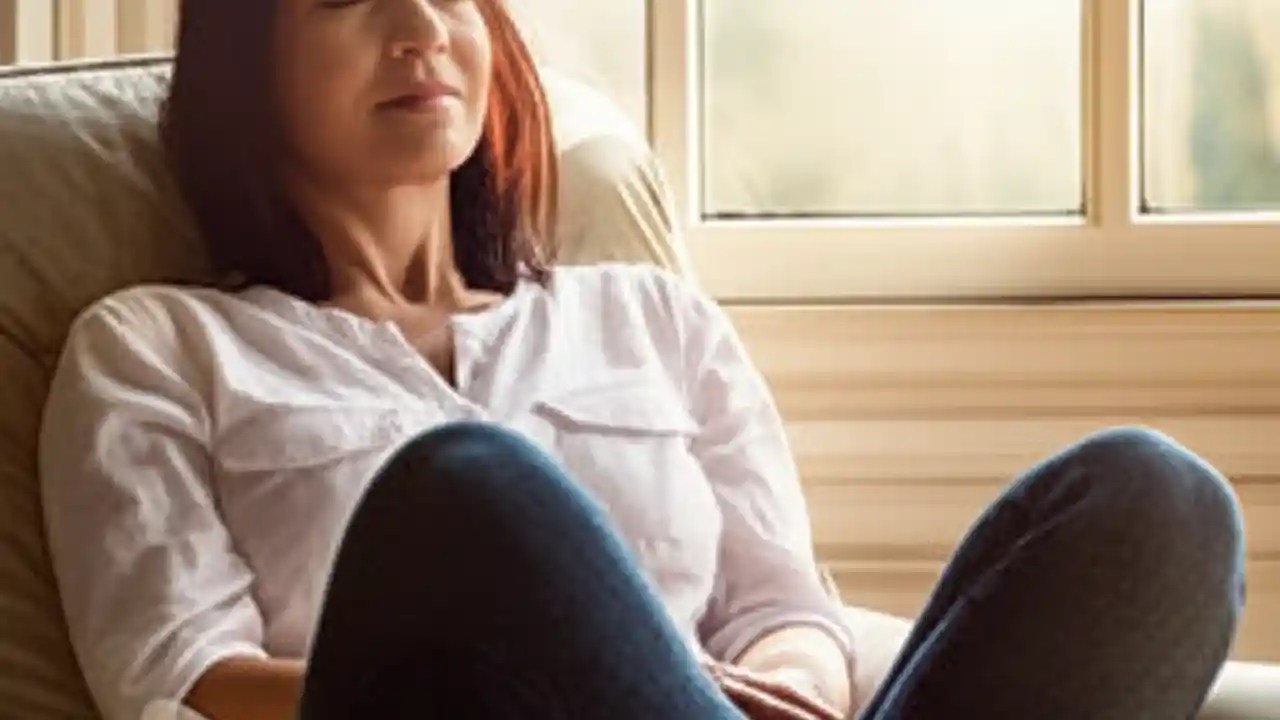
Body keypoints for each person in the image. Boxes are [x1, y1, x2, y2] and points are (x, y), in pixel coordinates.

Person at [38, 1, 1245, 719]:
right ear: (244, 64)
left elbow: (783, 606)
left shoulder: (648, 319)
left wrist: (781, 689)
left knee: (1153, 498)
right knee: (467, 496)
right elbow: (183, 675)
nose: (419, 29)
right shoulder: (157, 346)